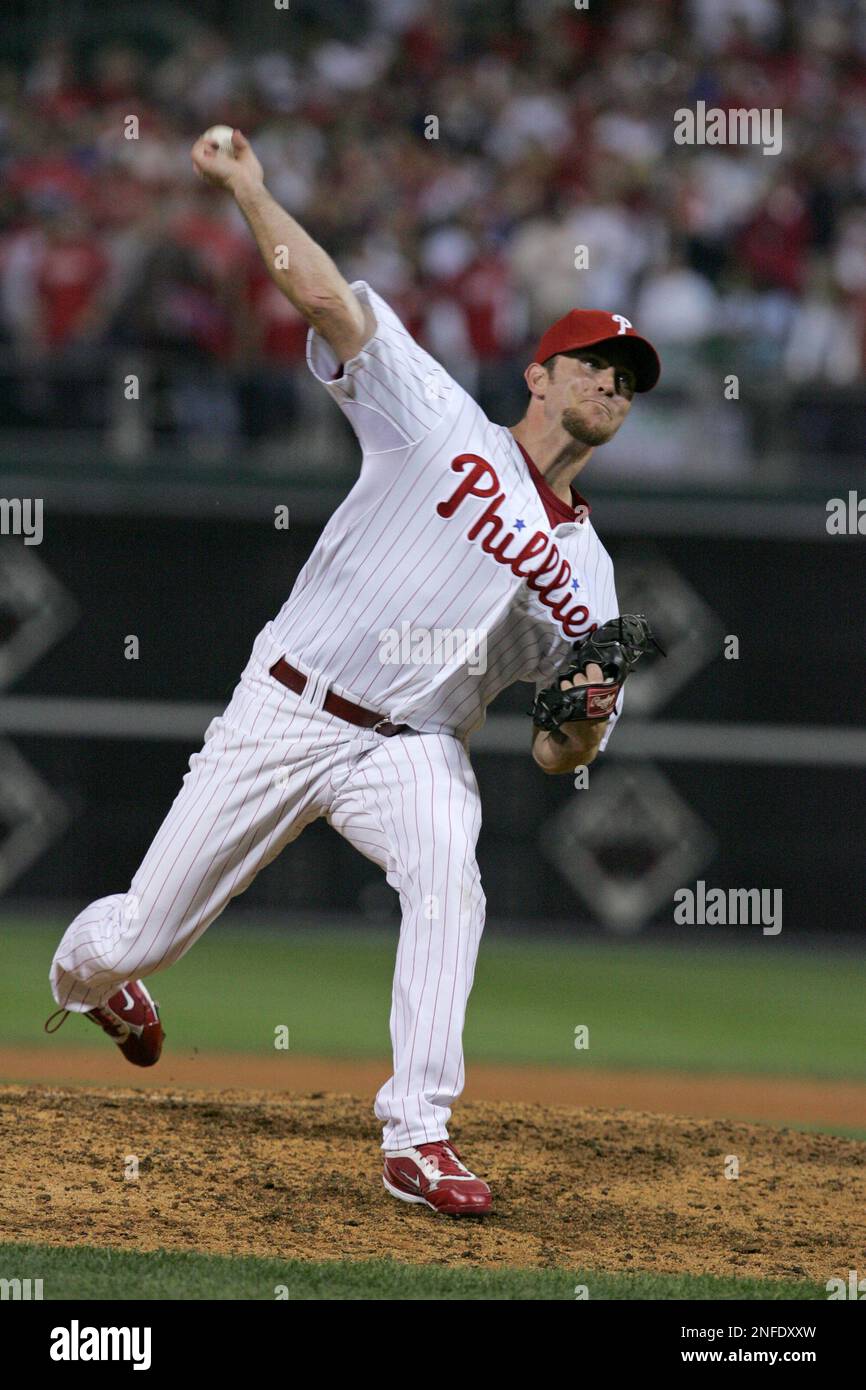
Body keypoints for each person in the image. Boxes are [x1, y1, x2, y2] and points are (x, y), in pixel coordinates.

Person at [46, 129, 660, 1218]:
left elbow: (558, 751)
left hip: (413, 744)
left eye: (627, 379)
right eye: (592, 363)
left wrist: (587, 708)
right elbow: (328, 299)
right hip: (286, 704)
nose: (610, 383)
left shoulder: (591, 577)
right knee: (141, 932)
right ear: (539, 372)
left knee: (448, 879)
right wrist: (248, 186)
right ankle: (88, 981)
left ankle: (416, 1133)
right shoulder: (439, 420)